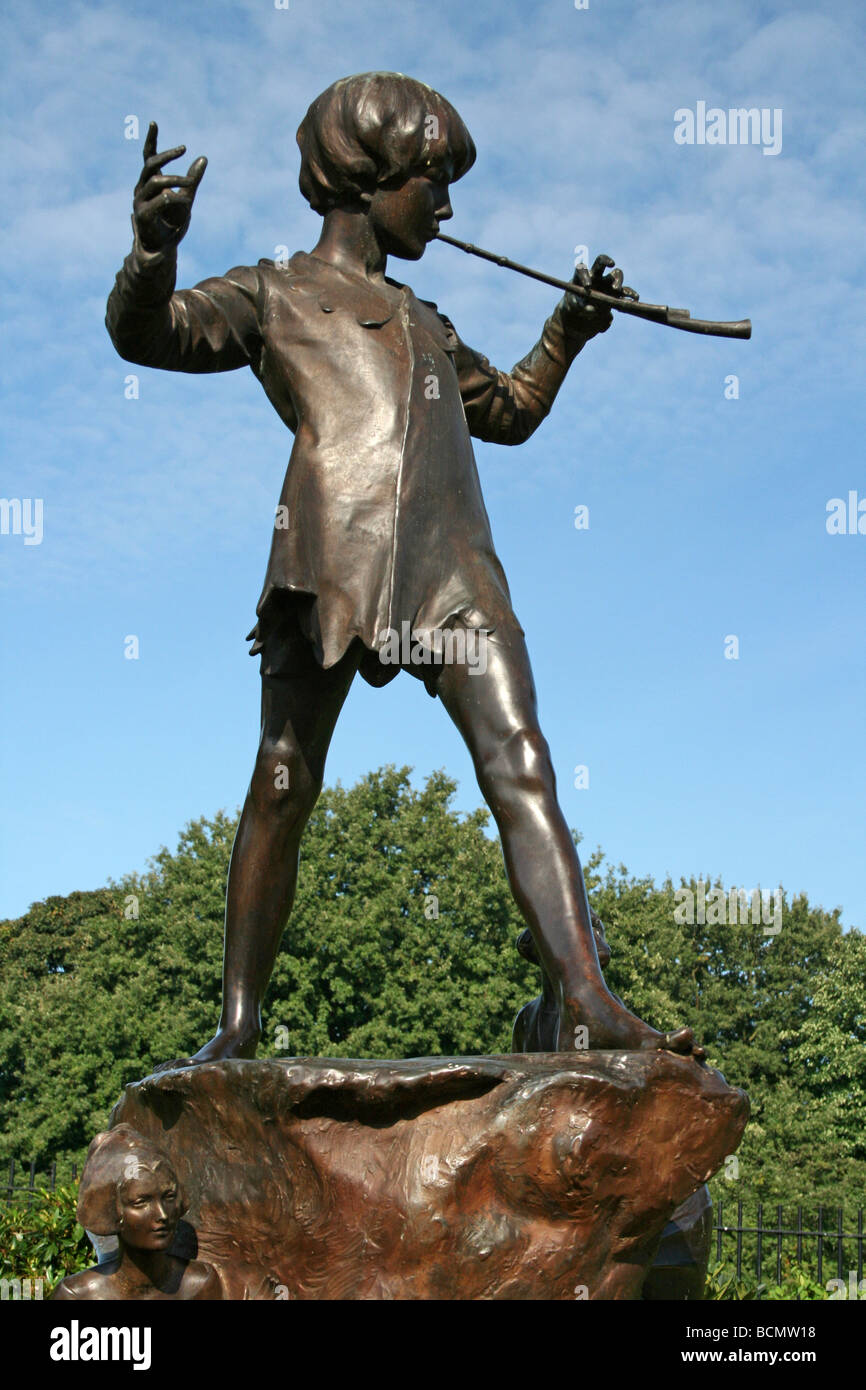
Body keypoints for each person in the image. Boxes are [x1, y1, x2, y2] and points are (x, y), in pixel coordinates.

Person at [106, 71, 701, 1060]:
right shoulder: (275, 293)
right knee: (284, 779)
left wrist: (566, 329)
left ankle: (588, 999)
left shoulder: (426, 322)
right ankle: (238, 1025)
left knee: (522, 764)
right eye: (432, 177)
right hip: (330, 562)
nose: (447, 202)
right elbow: (150, 336)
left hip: (451, 571)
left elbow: (506, 413)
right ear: (367, 177)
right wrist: (150, 257)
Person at [51, 1126, 222, 1300]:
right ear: (113, 1211)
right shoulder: (77, 1296)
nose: (162, 1214)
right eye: (141, 1202)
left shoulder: (200, 1284)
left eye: (168, 1197)